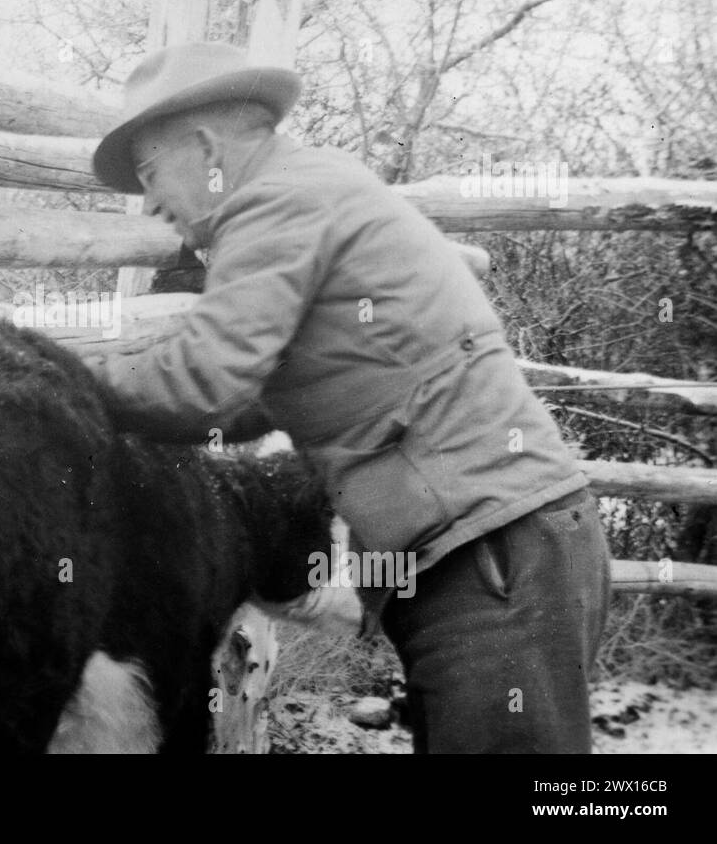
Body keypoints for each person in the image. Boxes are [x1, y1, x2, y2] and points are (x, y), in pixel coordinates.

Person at [83, 41, 612, 754]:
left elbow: (204, 379)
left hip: (494, 552)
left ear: (205, 145)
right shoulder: (306, 192)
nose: (147, 199)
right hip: (484, 550)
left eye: (149, 171)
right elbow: (245, 401)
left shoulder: (277, 202)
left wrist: (55, 376)